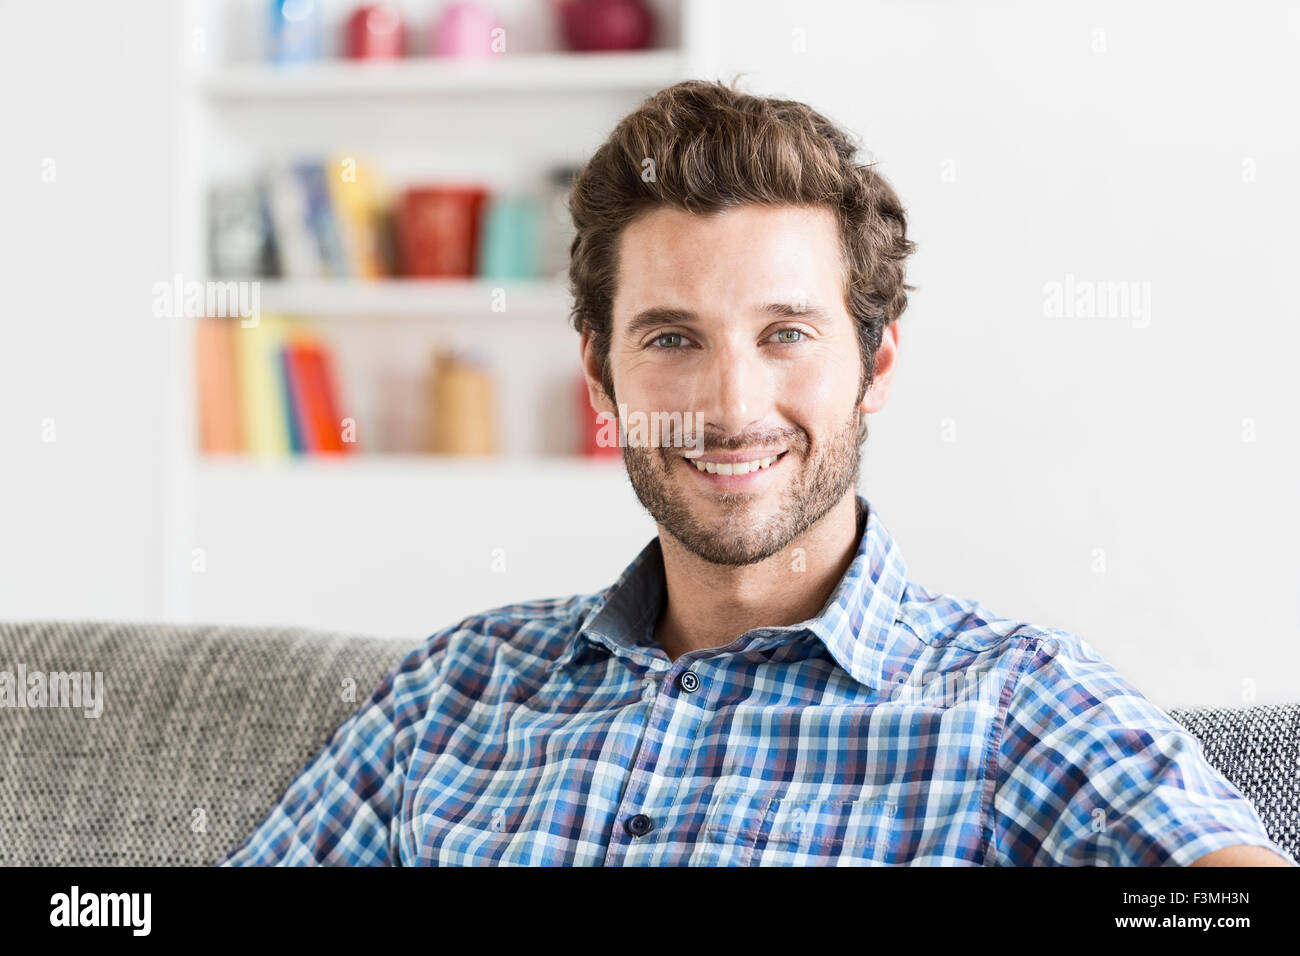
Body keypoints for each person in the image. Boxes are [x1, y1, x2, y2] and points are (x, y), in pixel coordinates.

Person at [219, 80, 1293, 867]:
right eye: (672, 338)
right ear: (599, 372)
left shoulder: (1015, 706)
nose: (731, 407)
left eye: (784, 333)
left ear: (875, 363)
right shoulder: (453, 693)